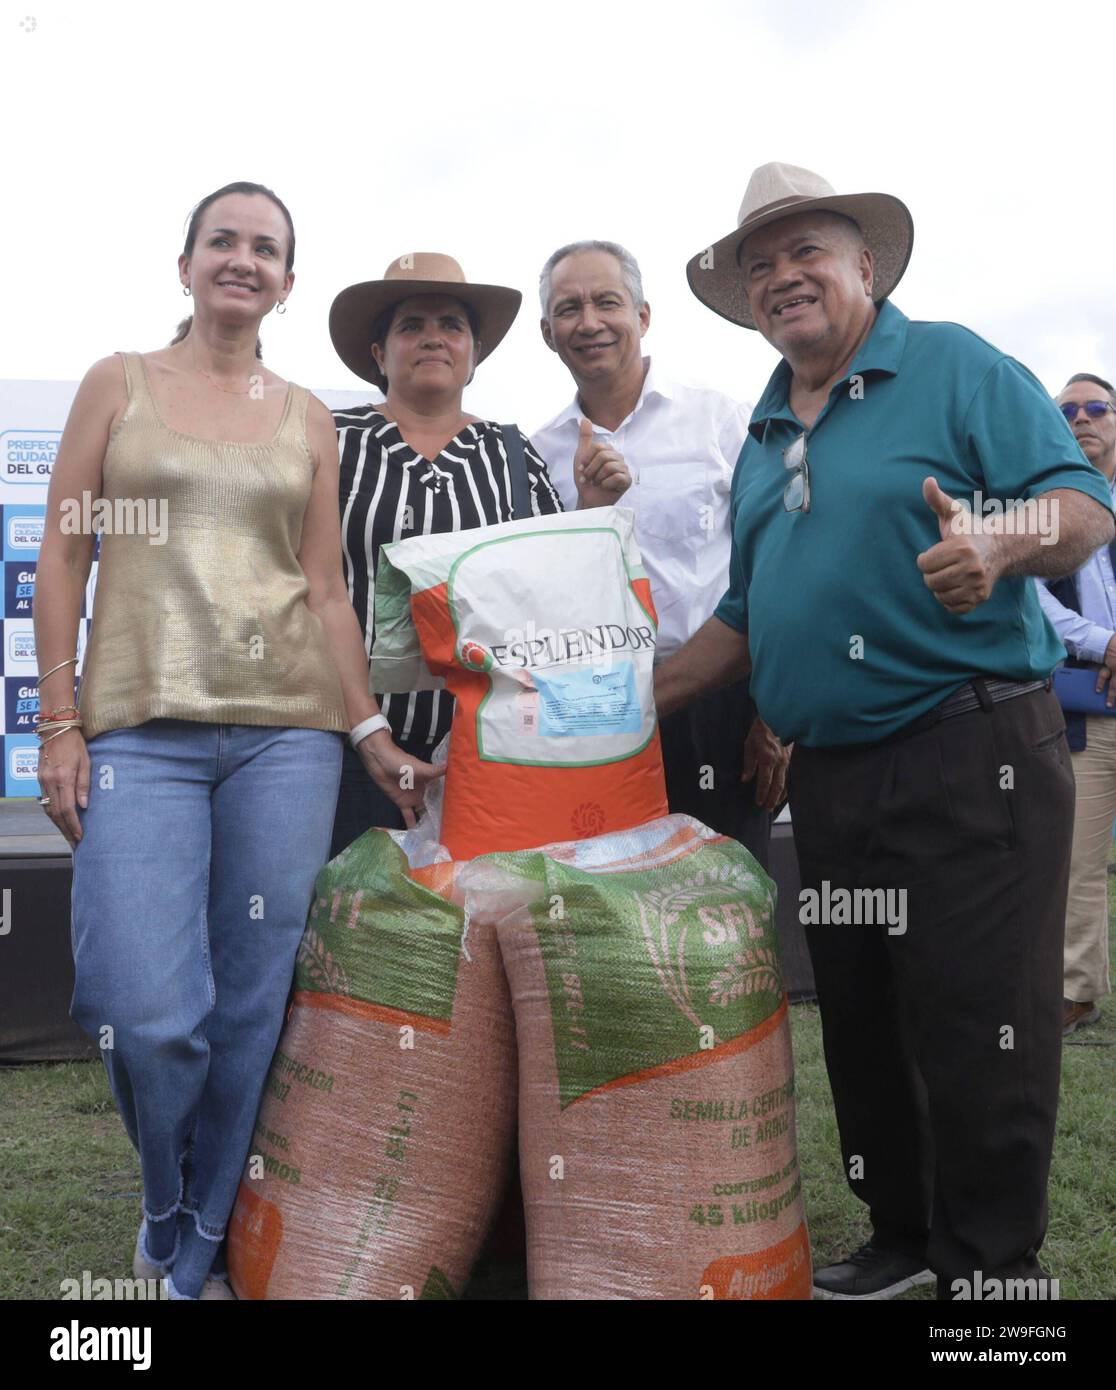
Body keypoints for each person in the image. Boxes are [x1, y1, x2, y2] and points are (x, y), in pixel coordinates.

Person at [656, 162, 1115, 1300]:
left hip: (971, 751)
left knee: (979, 1022)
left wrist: (1000, 541)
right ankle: (904, 1235)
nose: (782, 276)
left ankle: (993, 1269)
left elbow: (1082, 504)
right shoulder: (765, 431)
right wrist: (619, 702)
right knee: (861, 1021)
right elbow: (746, 619)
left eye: (806, 250)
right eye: (759, 264)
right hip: (838, 775)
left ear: (865, 266)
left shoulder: (952, 362)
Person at [34, 182, 438, 1300]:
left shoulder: (305, 413)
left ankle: (200, 1248)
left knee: (253, 1005)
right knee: (141, 1008)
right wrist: (58, 720)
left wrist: (365, 729)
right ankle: (168, 1198)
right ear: (186, 263)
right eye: (225, 240)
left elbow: (324, 590)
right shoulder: (118, 386)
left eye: (267, 248)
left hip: (286, 743)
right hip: (140, 736)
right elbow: (64, 556)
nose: (244, 260)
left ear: (288, 283)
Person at [326, 253, 630, 857]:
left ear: (475, 353)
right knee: (355, 934)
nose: (433, 337)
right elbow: (302, 589)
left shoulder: (511, 452)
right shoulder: (333, 439)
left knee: (482, 935)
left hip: (496, 756)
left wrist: (591, 508)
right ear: (380, 355)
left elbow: (554, 598)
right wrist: (366, 732)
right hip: (348, 753)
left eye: (452, 325)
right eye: (411, 325)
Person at [532, 240, 786, 867]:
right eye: (568, 309)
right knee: (618, 920)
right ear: (547, 333)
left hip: (722, 705)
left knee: (732, 912)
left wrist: (776, 714)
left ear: (643, 317)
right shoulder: (534, 456)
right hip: (596, 713)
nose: (588, 323)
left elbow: (780, 562)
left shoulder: (722, 422)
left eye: (606, 302)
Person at [1037, 373, 1116, 1035]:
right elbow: (1031, 606)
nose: (1082, 417)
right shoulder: (1045, 510)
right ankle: (1077, 989)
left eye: (1096, 406)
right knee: (1079, 859)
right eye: (1068, 410)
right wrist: (1106, 642)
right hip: (1090, 704)